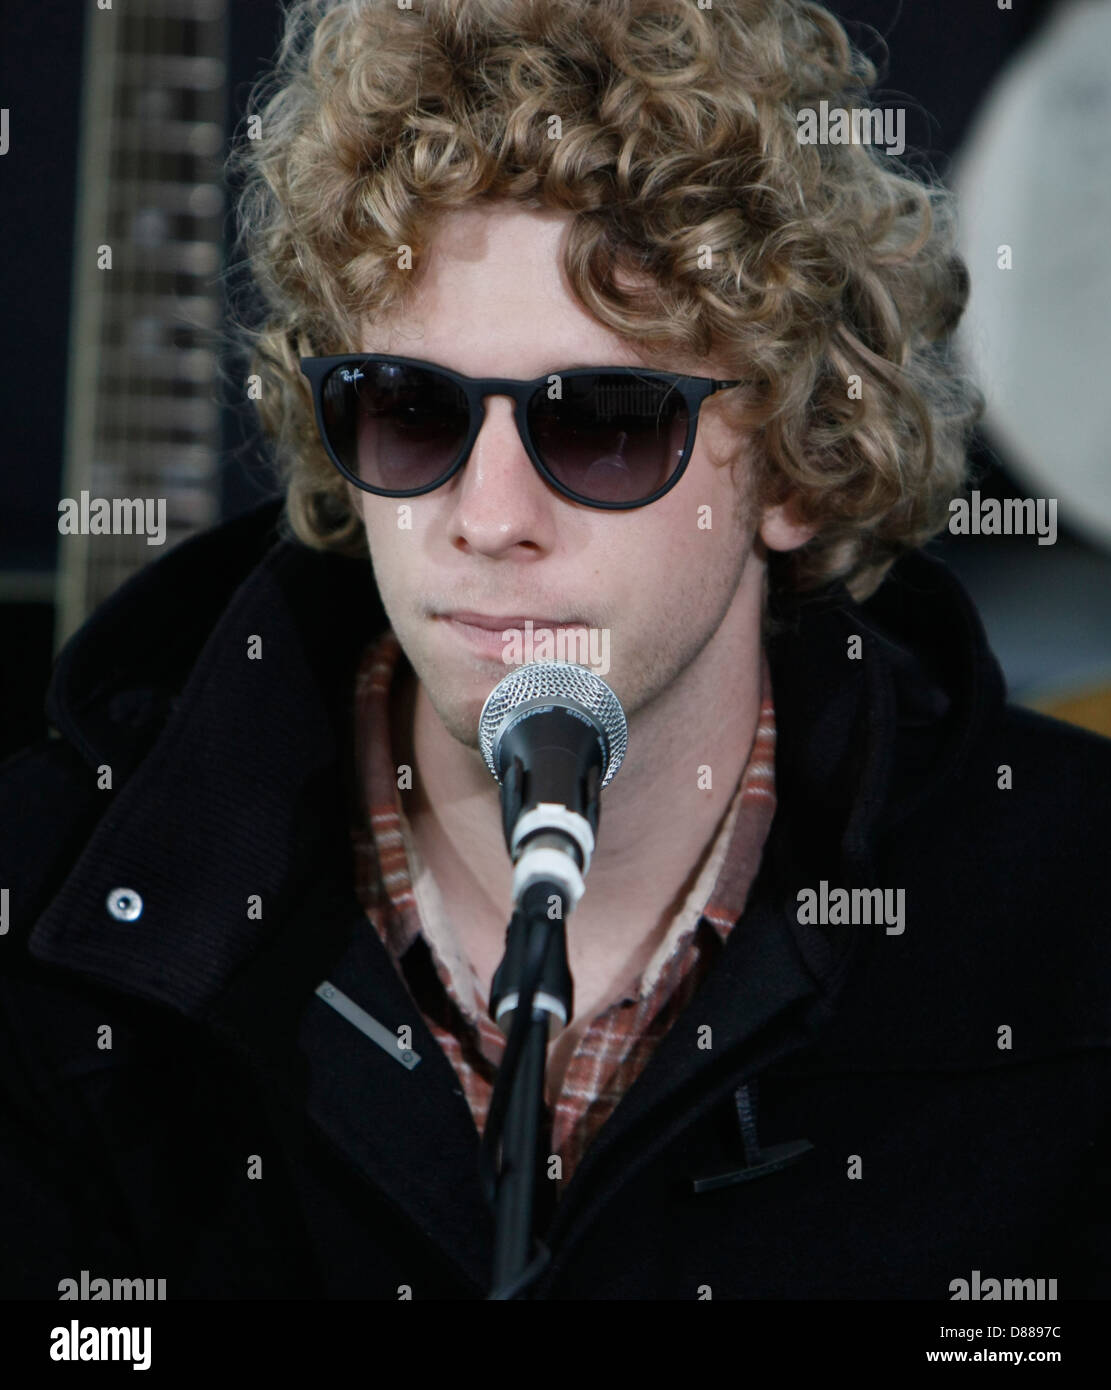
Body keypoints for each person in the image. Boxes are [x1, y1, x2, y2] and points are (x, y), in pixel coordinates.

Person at [1, 0, 1108, 1303]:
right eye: (410, 413)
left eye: (605, 425)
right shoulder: (43, 903)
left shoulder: (1075, 919)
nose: (487, 517)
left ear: (801, 459)